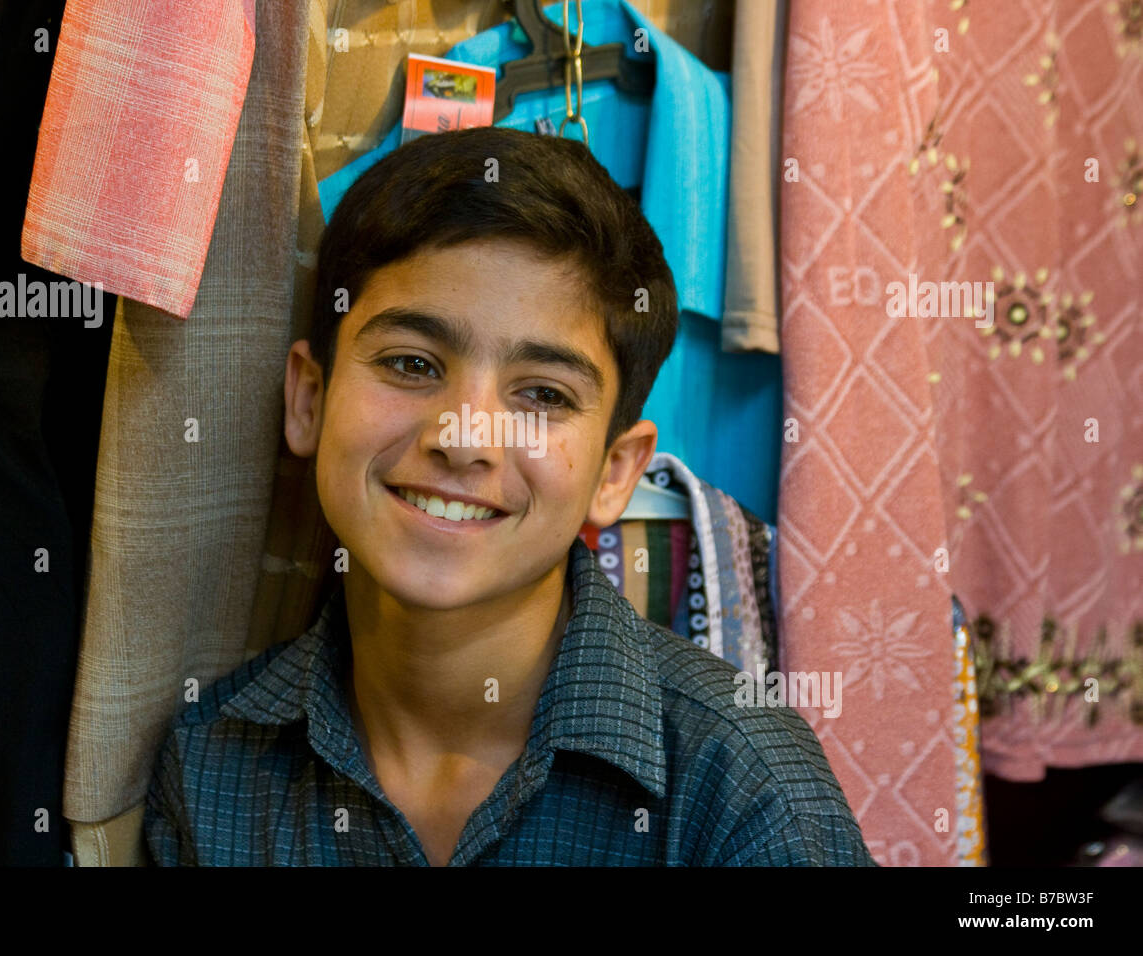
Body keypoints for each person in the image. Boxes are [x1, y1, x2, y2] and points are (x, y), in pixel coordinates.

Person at [144, 125, 876, 866]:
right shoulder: (214, 765)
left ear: (615, 471)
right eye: (410, 363)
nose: (463, 438)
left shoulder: (743, 786)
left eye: (544, 395)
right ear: (308, 399)